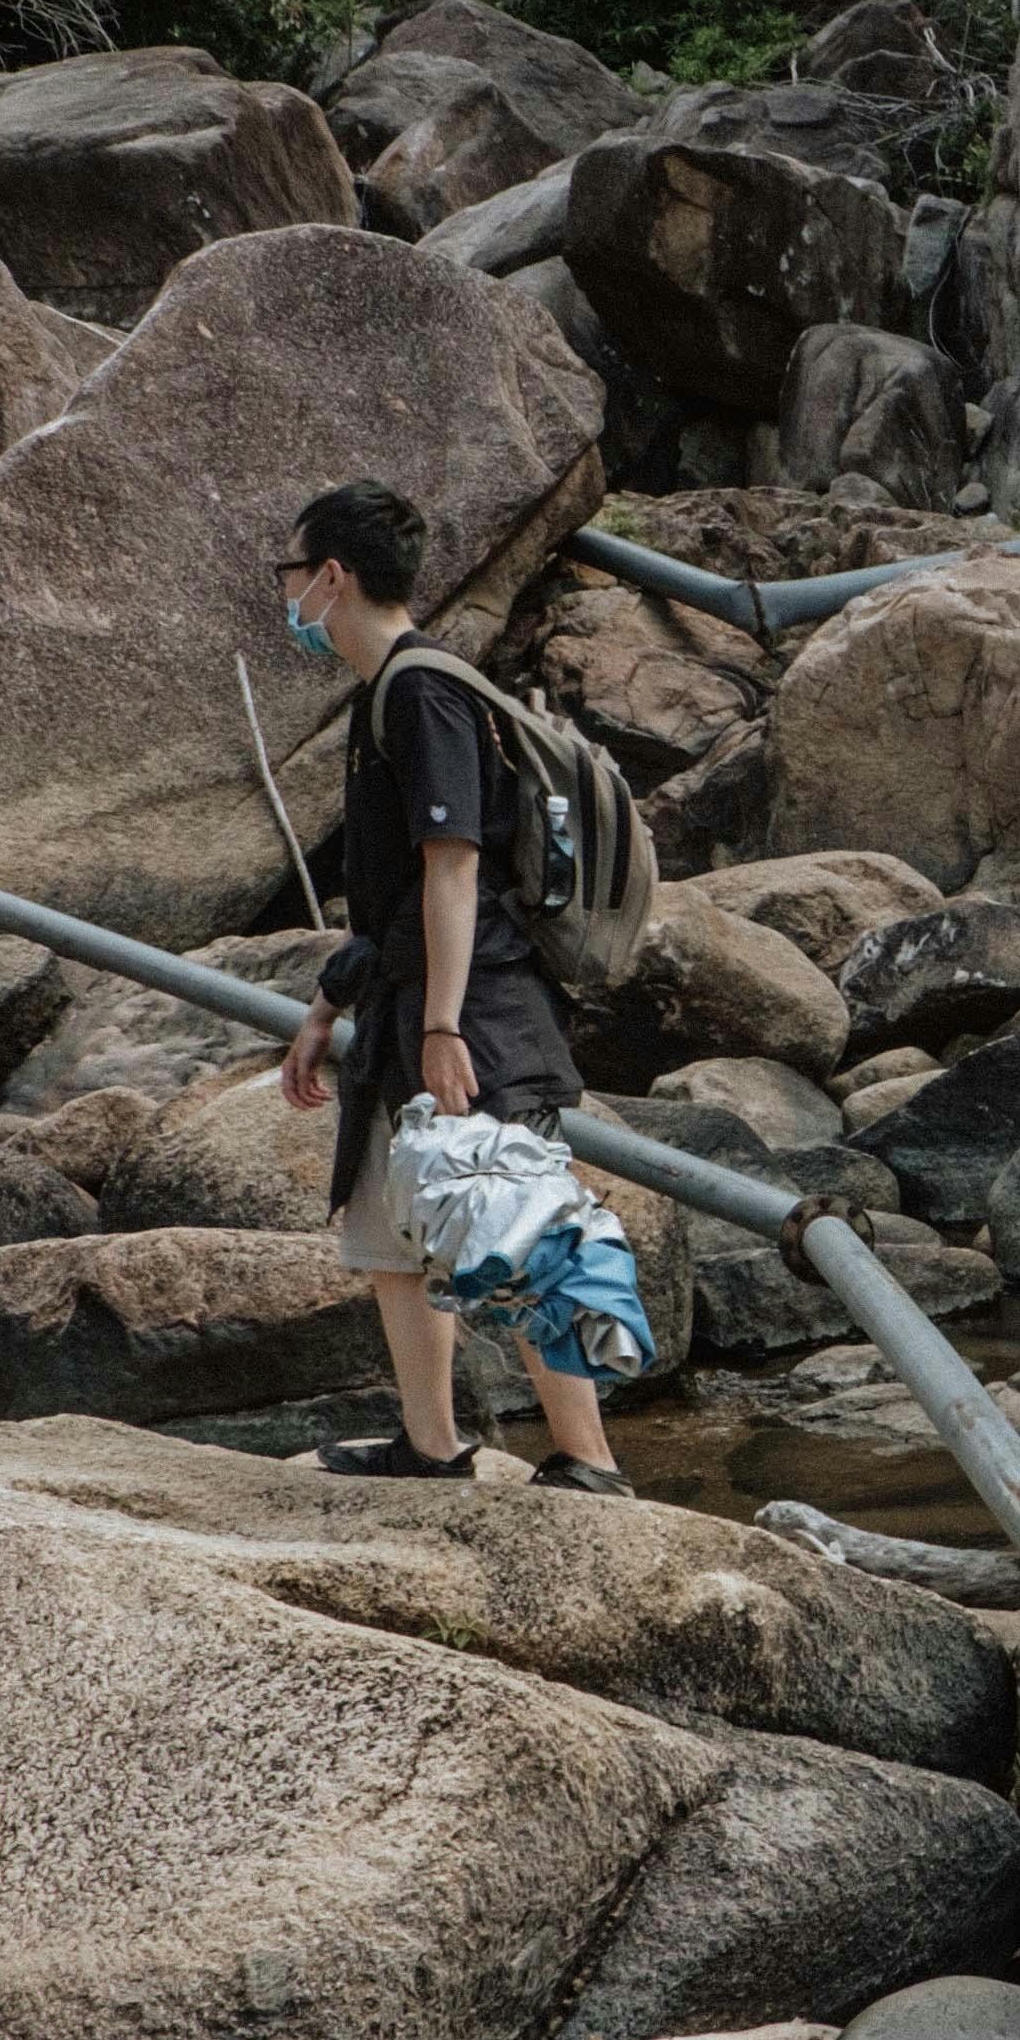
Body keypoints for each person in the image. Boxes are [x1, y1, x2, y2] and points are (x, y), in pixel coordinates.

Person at [269, 479, 629, 1490]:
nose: (286, 595)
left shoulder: (420, 690)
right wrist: (330, 1003)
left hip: (474, 1013)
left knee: (512, 1225)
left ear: (331, 576)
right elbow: (392, 903)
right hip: (408, 1000)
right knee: (390, 1226)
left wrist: (439, 1025)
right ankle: (429, 1445)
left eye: (290, 575)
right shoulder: (388, 689)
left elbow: (454, 863)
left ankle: (588, 1461)